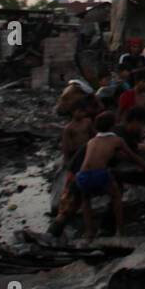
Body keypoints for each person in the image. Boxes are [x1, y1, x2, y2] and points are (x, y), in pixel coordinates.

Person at [74, 112, 145, 240]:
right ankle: (120, 231)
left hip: (82, 176)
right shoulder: (117, 140)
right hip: (99, 174)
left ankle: (89, 233)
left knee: (86, 201)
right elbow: (133, 157)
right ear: (112, 126)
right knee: (116, 196)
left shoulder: (91, 141)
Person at [49, 85, 96, 215]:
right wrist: (67, 161)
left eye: (83, 111)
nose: (81, 114)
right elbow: (65, 146)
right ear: (72, 112)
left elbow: (94, 135)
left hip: (87, 152)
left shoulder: (87, 122)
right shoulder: (69, 128)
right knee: (72, 180)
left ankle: (86, 197)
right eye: (78, 111)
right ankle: (65, 204)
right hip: (75, 155)